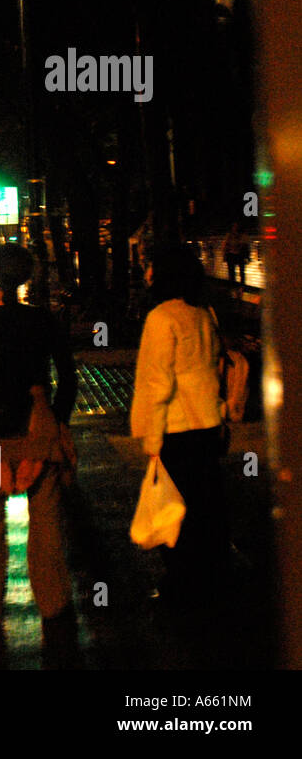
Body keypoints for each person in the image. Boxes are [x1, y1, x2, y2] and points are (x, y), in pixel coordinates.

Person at [0, 242, 78, 667]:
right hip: (35, 427)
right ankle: (54, 608)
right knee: (46, 524)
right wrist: (54, 419)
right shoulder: (43, 320)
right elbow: (68, 377)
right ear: (26, 277)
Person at [130, 244, 230, 605]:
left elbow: (157, 382)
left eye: (151, 266)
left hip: (176, 427)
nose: (146, 273)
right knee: (205, 503)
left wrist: (152, 438)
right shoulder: (202, 314)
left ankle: (182, 582)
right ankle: (210, 577)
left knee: (174, 508)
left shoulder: (161, 318)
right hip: (206, 424)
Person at [222, 222, 248, 289]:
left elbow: (244, 245)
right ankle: (234, 285)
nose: (235, 228)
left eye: (236, 226)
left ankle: (240, 286)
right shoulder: (229, 235)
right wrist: (225, 254)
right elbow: (225, 245)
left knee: (240, 272)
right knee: (232, 272)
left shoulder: (241, 235)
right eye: (234, 226)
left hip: (238, 255)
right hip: (232, 255)